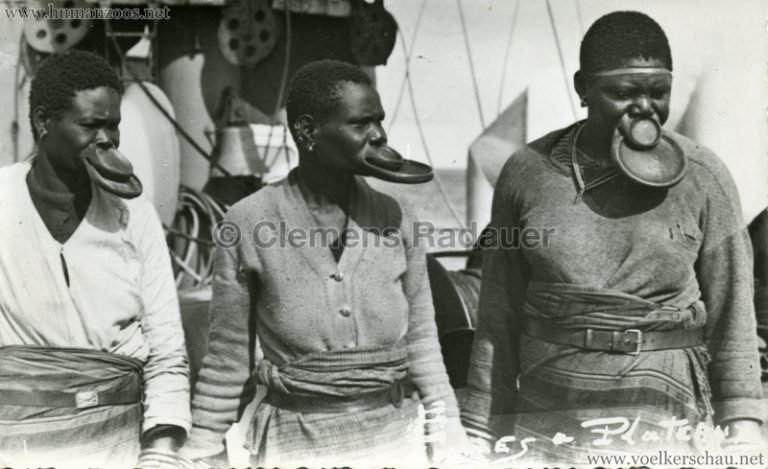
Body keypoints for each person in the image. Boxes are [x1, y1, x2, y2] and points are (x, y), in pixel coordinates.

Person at [461, 11, 764, 465]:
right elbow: (497, 314)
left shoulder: (705, 177)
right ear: (583, 87)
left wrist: (742, 431)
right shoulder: (526, 173)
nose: (645, 108)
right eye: (624, 93)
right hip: (547, 418)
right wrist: (479, 432)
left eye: (658, 92)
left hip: (664, 420)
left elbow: (732, 314)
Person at [181, 59, 465, 467]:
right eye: (361, 123)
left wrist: (447, 428)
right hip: (293, 444)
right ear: (308, 131)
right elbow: (228, 360)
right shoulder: (247, 222)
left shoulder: (398, 217)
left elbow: (422, 342)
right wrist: (201, 447)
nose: (380, 134)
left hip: (395, 442)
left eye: (380, 121)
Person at [0, 50, 190, 468]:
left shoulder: (133, 214)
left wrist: (159, 450)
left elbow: (166, 349)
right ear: (44, 122)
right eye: (90, 125)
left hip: (117, 442)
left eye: (113, 125)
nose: (106, 138)